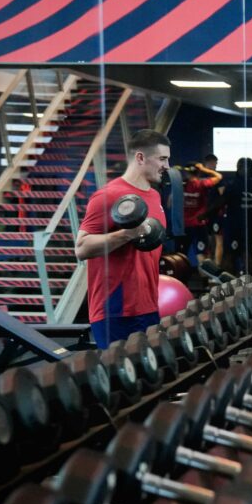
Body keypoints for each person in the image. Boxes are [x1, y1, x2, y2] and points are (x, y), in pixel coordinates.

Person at [75, 129, 170, 349]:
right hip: (115, 309)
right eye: (162, 159)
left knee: (151, 378)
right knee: (120, 379)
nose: (166, 166)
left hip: (147, 305)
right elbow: (81, 248)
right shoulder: (108, 195)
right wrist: (128, 233)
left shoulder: (154, 196)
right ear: (140, 157)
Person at [182, 162, 222, 266]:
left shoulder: (182, 185)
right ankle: (205, 280)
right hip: (199, 225)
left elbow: (169, 202)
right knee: (201, 254)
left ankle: (180, 279)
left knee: (181, 254)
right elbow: (219, 176)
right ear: (198, 173)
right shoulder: (202, 184)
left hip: (184, 225)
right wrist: (204, 169)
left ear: (187, 174)